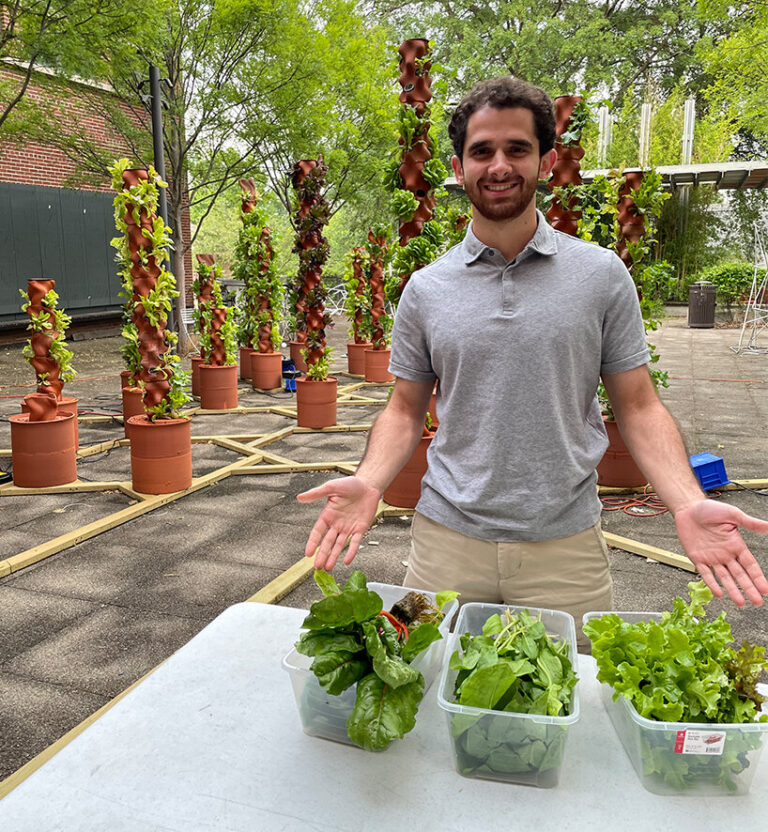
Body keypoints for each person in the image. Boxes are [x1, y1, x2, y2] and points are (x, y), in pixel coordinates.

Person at [297, 76, 768, 640]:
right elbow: (404, 409)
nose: (499, 166)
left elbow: (638, 406)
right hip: (445, 545)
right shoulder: (426, 289)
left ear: (545, 162)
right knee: (427, 675)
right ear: (458, 167)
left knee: (571, 686)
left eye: (517, 149)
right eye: (482, 151)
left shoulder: (600, 275)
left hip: (565, 550)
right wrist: (369, 481)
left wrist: (687, 503)